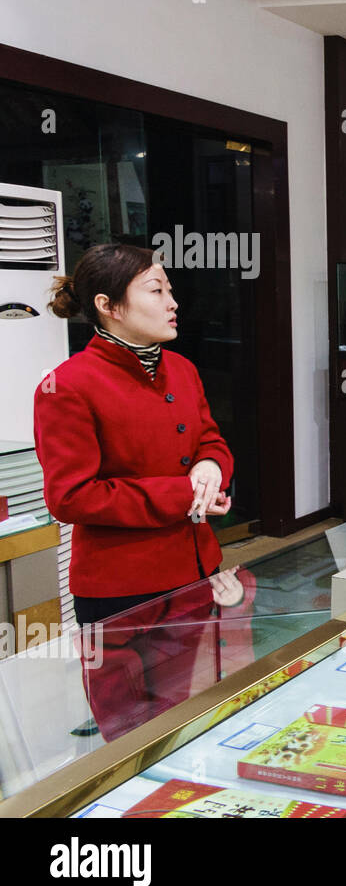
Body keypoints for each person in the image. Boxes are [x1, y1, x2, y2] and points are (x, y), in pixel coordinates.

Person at [33, 243, 237, 739]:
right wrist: (183, 494)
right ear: (108, 305)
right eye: (156, 290)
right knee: (127, 732)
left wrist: (211, 468)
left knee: (187, 714)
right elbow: (71, 496)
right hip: (119, 588)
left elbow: (208, 438)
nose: (173, 302)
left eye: (169, 290)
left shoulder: (182, 369)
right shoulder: (68, 386)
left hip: (192, 570)